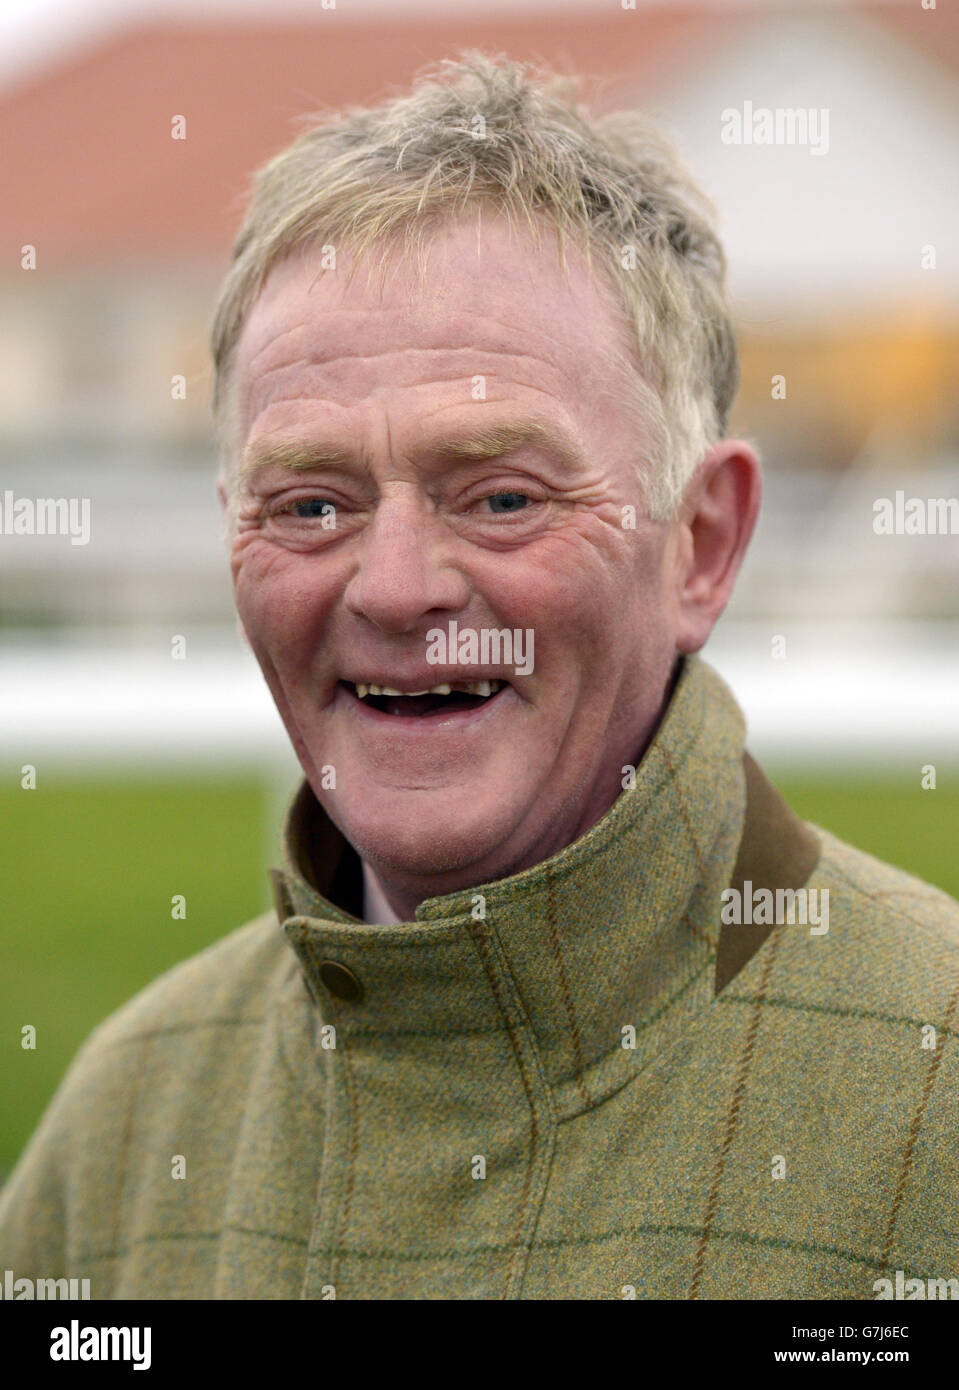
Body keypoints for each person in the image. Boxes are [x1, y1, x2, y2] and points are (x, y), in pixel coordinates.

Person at [2, 53, 956, 1301]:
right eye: (310, 503)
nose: (395, 588)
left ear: (700, 542)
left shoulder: (930, 1098)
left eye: (501, 495)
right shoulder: (129, 1121)